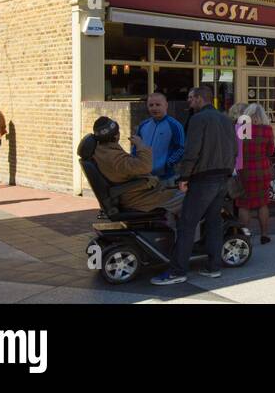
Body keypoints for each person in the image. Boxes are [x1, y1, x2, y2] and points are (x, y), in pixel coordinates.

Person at [151, 84, 238, 285]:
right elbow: (234, 149)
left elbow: (192, 152)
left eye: (191, 98)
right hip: (222, 178)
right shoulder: (226, 119)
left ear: (200, 99)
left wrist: (184, 178)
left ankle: (177, 271)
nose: (189, 102)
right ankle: (213, 267)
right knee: (214, 222)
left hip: (203, 179)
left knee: (186, 224)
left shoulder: (198, 119)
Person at [88, 116, 184, 216]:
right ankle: (183, 231)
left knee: (176, 191)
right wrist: (141, 146)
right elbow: (145, 167)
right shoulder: (114, 157)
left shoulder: (102, 151)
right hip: (138, 197)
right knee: (190, 199)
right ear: (116, 136)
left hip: (135, 192)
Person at [236, 103, 275, 246]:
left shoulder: (241, 129)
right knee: (263, 203)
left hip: (244, 171)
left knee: (244, 205)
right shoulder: (267, 130)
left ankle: (244, 236)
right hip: (262, 170)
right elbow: (271, 151)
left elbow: (236, 152)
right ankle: (264, 235)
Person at [135, 92, 185, 185]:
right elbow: (136, 147)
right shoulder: (143, 125)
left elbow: (181, 148)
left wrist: (168, 164)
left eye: (158, 105)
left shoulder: (175, 125)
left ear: (166, 105)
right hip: (144, 177)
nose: (154, 108)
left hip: (166, 178)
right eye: (151, 105)